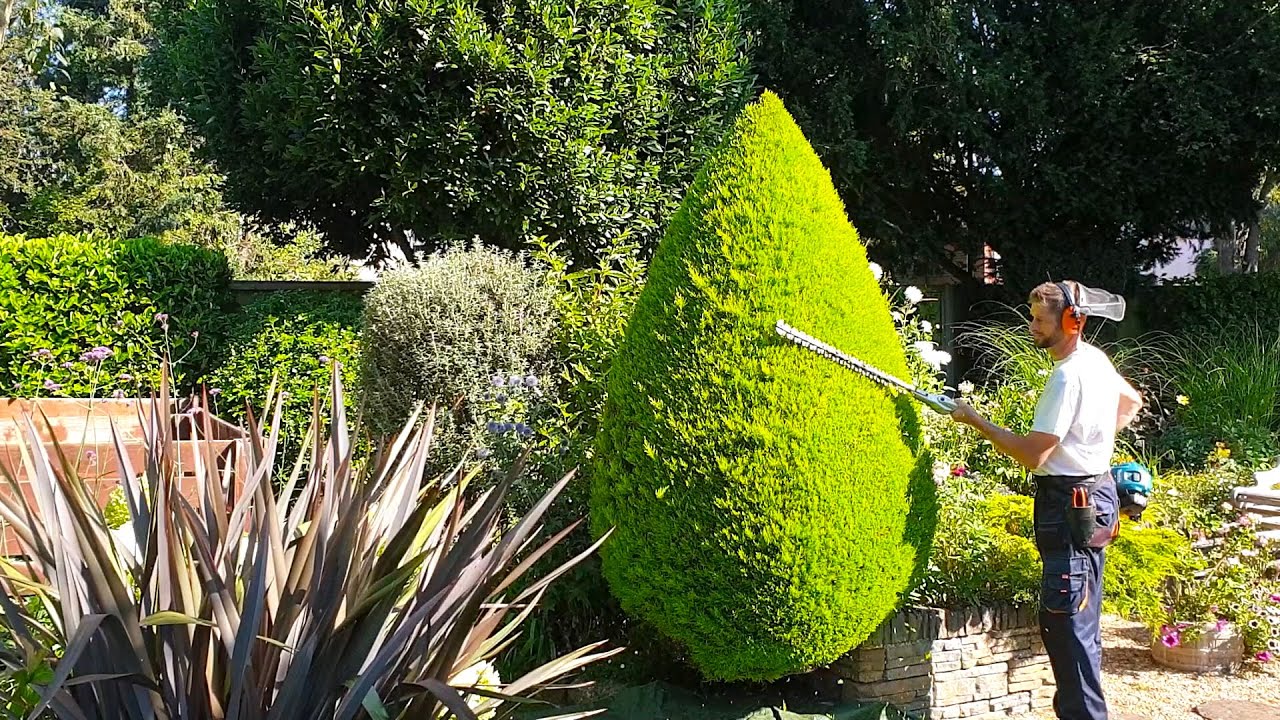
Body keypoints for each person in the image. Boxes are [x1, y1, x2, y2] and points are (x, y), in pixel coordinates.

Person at [949, 281, 1143, 720]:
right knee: (1081, 617)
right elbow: (1131, 401)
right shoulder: (1095, 360)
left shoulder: (1067, 375)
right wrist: (1092, 446)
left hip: (1068, 501)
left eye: (1040, 319)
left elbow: (1034, 452)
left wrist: (976, 420)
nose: (1032, 326)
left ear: (1072, 322)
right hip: (1095, 493)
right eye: (1032, 316)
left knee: (1066, 624)